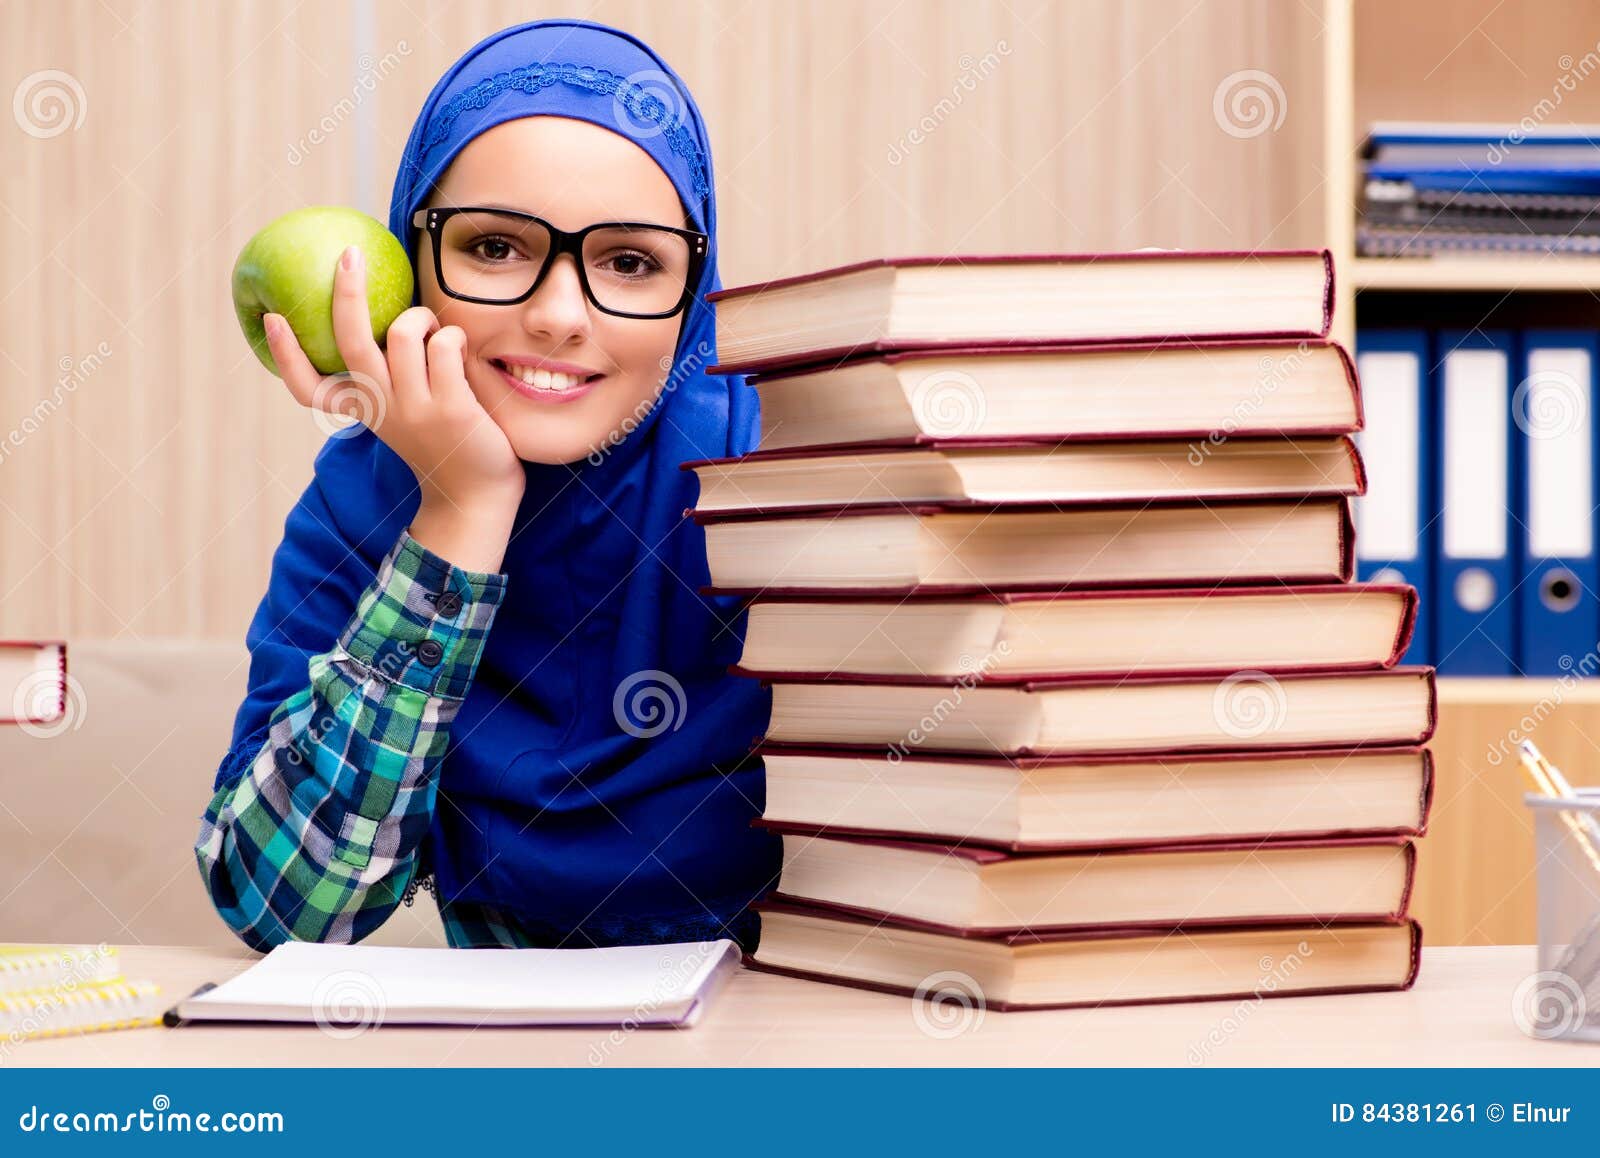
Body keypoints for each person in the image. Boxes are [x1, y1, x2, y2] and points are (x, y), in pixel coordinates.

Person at [194, 18, 778, 954]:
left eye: (629, 263)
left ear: (696, 288)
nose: (556, 316)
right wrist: (459, 511)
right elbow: (285, 907)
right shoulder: (361, 504)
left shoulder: (786, 474)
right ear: (410, 265)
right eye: (496, 247)